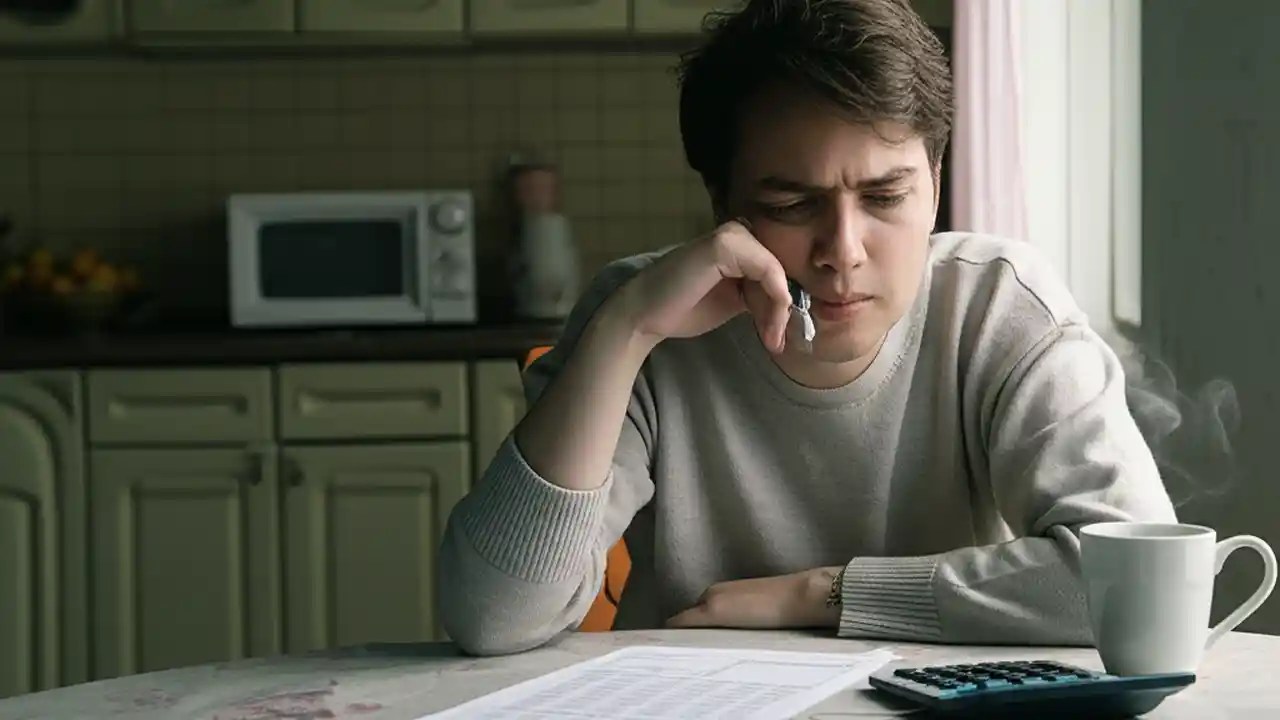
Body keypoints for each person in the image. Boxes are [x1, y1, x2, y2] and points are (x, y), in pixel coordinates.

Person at [437, 0, 1176, 656]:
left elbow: (1134, 584)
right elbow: (495, 617)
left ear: (937, 180)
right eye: (792, 205)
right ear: (721, 200)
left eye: (886, 196)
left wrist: (823, 595)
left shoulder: (998, 309)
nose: (843, 253)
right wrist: (626, 328)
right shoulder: (644, 316)